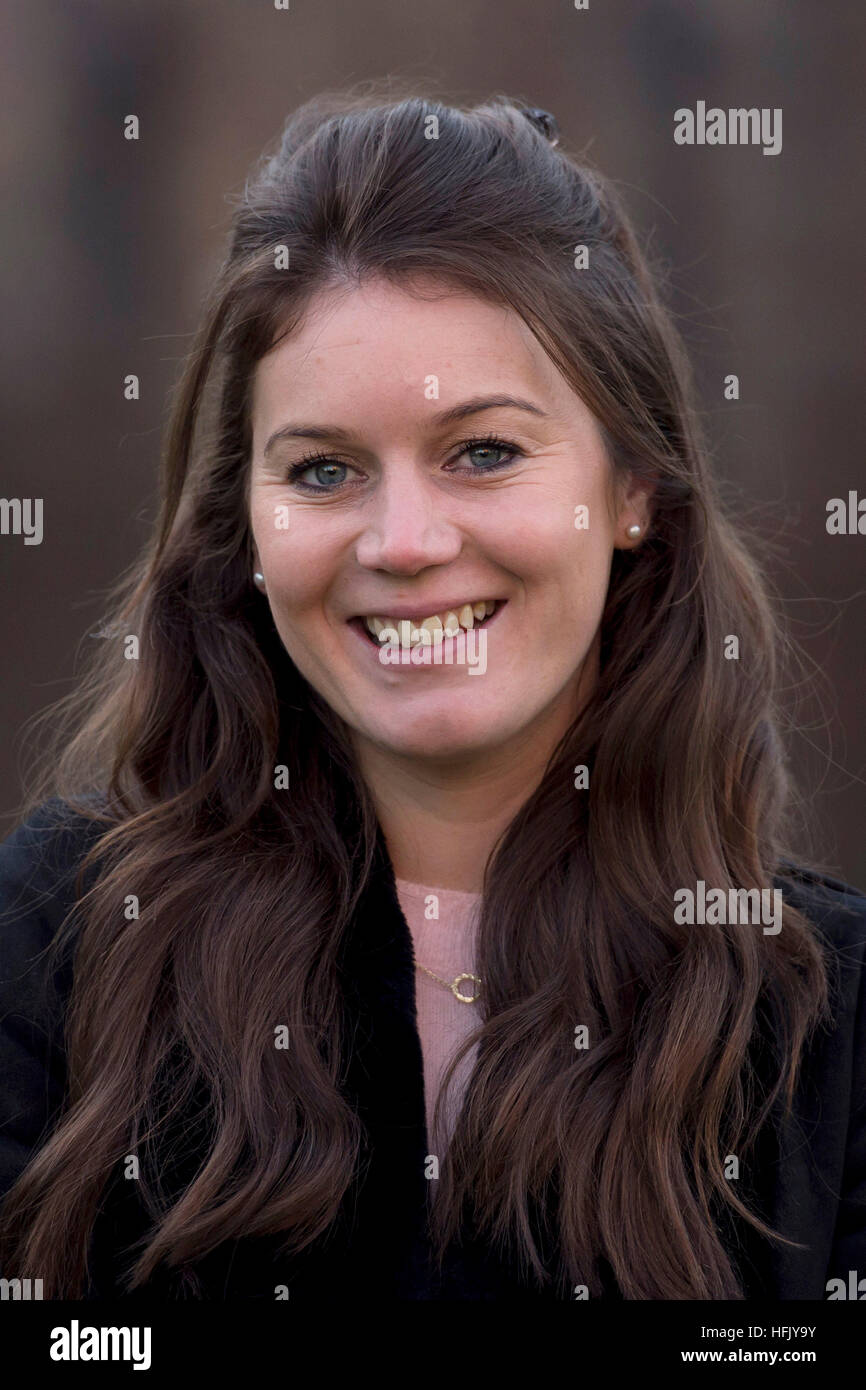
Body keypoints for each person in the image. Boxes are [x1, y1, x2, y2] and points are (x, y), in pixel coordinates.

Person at [1, 87, 864, 1302]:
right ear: (244, 526)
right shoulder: (62, 945)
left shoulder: (828, 1013)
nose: (402, 542)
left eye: (483, 453)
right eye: (323, 470)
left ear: (631, 490)